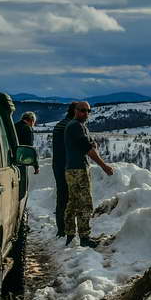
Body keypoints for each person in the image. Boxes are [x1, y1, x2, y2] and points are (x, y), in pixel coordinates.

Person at [52, 100, 114, 246]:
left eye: (88, 111)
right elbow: (88, 148)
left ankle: (69, 233)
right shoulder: (75, 126)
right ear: (75, 110)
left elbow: (89, 143)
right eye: (82, 110)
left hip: (72, 168)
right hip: (78, 169)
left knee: (73, 202)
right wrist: (104, 166)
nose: (85, 113)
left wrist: (90, 144)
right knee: (85, 204)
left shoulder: (79, 126)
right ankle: (84, 238)